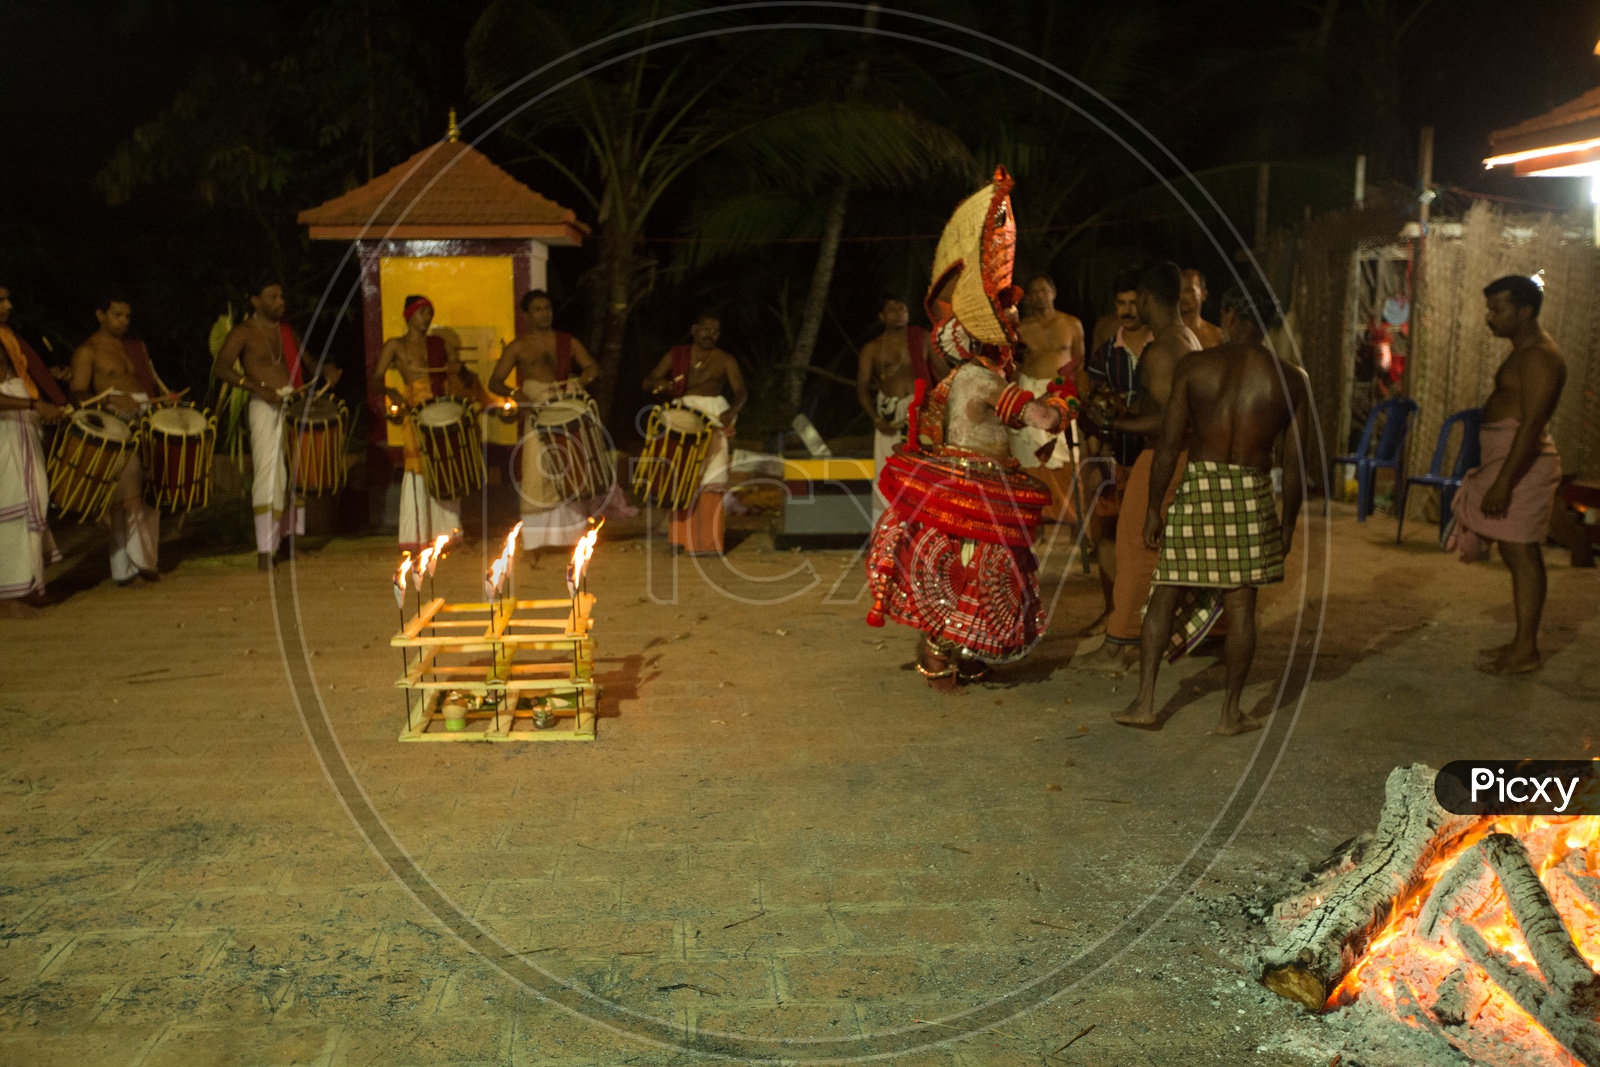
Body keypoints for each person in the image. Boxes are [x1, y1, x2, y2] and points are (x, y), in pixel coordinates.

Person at [865, 167, 1077, 692]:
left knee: (970, 569)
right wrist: (1067, 399)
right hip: (971, 489)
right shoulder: (981, 379)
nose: (1012, 327)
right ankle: (942, 658)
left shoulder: (962, 377)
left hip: (970, 484)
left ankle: (961, 652)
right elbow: (1041, 418)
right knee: (969, 571)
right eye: (1003, 320)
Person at [1114, 282, 1308, 734]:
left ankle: (1145, 702)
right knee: (1241, 606)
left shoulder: (1195, 366)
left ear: (1230, 317)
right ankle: (1230, 714)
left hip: (1199, 487)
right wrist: (1288, 525)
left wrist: (1152, 510)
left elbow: (1168, 445)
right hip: (1251, 491)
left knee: (1165, 591)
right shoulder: (1291, 379)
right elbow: (1297, 468)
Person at [1447, 275, 1568, 676]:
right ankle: (1521, 642)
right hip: (1507, 458)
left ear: (1524, 311)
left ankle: (1527, 649)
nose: (1490, 317)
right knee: (1515, 553)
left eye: (1498, 310)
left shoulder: (1540, 357)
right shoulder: (1524, 352)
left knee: (1523, 552)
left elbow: (1532, 423)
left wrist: (1503, 482)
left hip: (1522, 465)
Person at [1089, 261, 1200, 671]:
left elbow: (1175, 419)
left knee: (1135, 545)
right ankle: (1136, 638)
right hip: (1173, 455)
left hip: (1162, 456)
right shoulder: (1184, 338)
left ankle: (1117, 647)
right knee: (1147, 546)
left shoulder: (1165, 349)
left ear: (1149, 299)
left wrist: (1115, 423)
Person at [212, 280, 341, 571]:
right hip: (264, 405)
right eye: (273, 297)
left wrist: (327, 371)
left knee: (293, 475)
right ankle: (264, 550)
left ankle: (287, 544)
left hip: (293, 404)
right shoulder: (243, 332)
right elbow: (221, 367)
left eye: (282, 295)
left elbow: (308, 363)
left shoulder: (286, 331)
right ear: (255, 301)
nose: (281, 301)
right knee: (269, 475)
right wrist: (257, 388)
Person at [490, 290, 632, 551]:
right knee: (536, 471)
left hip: (566, 409)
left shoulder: (567, 341)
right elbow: (495, 381)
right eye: (538, 309)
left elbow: (591, 366)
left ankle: (570, 537)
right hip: (537, 411)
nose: (545, 313)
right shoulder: (518, 347)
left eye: (547, 308)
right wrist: (515, 393)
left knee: (571, 465)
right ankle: (537, 540)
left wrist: (585, 375)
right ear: (527, 315)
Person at [69, 293, 170, 585]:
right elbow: (78, 392)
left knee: (149, 493)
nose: (124, 321)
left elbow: (145, 381)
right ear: (100, 314)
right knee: (127, 497)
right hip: (117, 423)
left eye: (127, 315)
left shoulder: (133, 347)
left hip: (144, 418)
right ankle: (128, 569)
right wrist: (105, 409)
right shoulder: (88, 351)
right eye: (117, 315)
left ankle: (145, 562)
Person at [371, 295, 479, 552]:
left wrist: (459, 370)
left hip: (441, 407)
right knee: (419, 467)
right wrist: (391, 392)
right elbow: (376, 378)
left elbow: (457, 370)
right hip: (414, 409)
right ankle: (416, 536)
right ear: (409, 315)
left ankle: (449, 534)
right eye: (422, 312)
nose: (427, 317)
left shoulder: (439, 344)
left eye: (430, 312)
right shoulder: (395, 346)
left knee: (446, 465)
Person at [1077, 266, 1150, 632]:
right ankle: (1112, 609)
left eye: (1134, 303)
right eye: (1121, 303)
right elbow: (1091, 409)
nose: (1127, 311)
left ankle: (1147, 614)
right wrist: (1092, 462)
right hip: (1112, 455)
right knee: (1107, 532)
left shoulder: (1163, 347)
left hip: (1153, 457)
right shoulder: (1105, 354)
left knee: (1150, 536)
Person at [642, 313, 747, 555]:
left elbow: (741, 391)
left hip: (713, 418)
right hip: (682, 416)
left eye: (715, 331)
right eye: (706, 329)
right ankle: (680, 540)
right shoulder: (676, 356)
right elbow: (649, 380)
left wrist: (732, 411)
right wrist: (662, 385)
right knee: (681, 476)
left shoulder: (725, 359)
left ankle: (708, 543)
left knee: (712, 477)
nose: (710, 334)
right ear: (694, 330)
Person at [0, 285, 64, 609]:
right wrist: (33, 406)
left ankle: (30, 585)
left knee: (35, 499)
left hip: (20, 427)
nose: (8, 305)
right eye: (0, 300)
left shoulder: (8, 337)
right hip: (6, 431)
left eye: (8, 298)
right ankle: (11, 595)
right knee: (16, 503)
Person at [855, 296, 941, 521]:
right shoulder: (872, 349)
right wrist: (876, 419)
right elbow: (862, 388)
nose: (898, 312)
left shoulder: (922, 338)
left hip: (921, 413)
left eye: (902, 308)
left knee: (922, 473)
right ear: (882, 317)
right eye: (891, 309)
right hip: (889, 419)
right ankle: (887, 529)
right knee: (887, 473)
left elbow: (941, 376)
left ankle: (923, 526)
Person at [1013, 274, 1085, 522]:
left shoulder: (1071, 324)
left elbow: (1078, 361)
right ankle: (1036, 518)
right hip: (1030, 391)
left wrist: (1061, 389)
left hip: (1061, 392)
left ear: (1053, 292)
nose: (1040, 296)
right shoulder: (1021, 328)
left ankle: (1072, 516)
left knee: (1067, 451)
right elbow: (1015, 365)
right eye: (1034, 292)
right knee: (1030, 455)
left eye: (1044, 290)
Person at [1180, 269, 1225, 348]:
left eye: (1188, 290)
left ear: (1203, 294)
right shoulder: (1161, 334)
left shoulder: (1217, 336)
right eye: (1178, 291)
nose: (1181, 296)